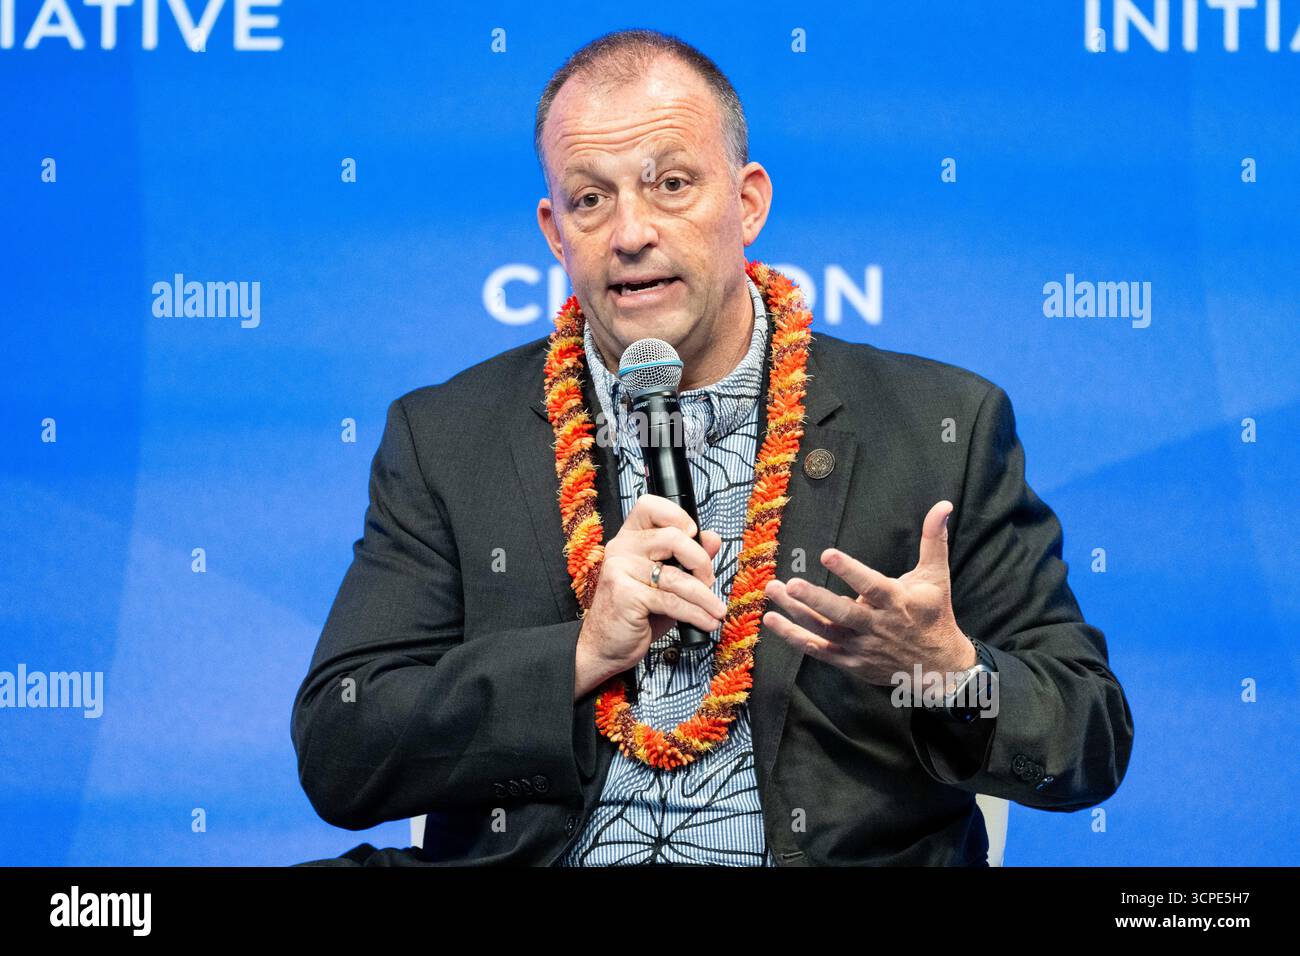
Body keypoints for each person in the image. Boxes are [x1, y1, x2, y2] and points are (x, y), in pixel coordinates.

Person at [290, 28, 1134, 867]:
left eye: (671, 184)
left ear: (749, 202)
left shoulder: (939, 424)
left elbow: (1087, 741)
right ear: (555, 233)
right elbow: (341, 749)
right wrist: (581, 653)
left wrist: (946, 672)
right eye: (591, 199)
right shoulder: (449, 436)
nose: (630, 232)